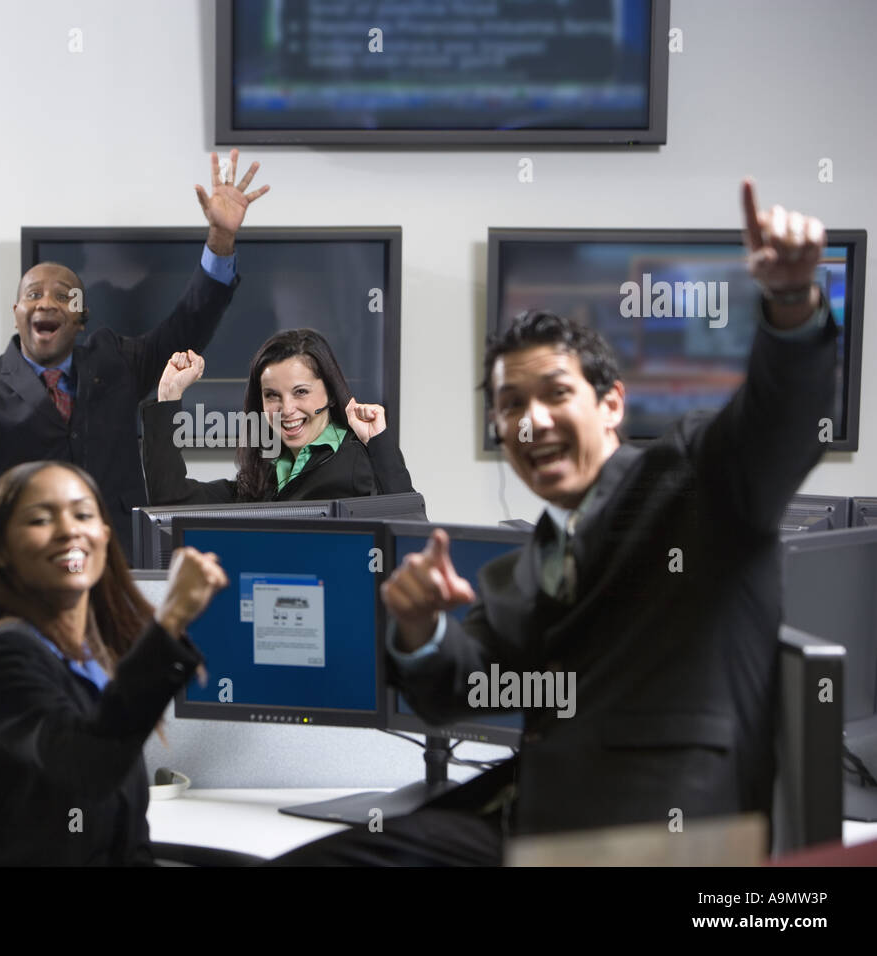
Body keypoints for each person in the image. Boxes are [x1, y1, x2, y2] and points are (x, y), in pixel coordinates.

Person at [272, 180, 836, 865]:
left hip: (657, 836)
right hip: (534, 819)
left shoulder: (695, 482)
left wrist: (792, 304)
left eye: (555, 394)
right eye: (511, 405)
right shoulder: (528, 562)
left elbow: (781, 422)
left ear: (611, 405)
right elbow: (458, 689)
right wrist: (420, 629)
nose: (531, 421)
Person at [0, 151, 269, 559]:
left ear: (81, 318)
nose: (47, 302)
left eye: (63, 296)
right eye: (33, 295)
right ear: (16, 314)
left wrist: (221, 239)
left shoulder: (117, 360)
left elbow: (188, 324)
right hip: (28, 563)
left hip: (119, 560)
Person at [0, 460, 227, 865]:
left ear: (105, 536)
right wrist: (170, 621)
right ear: (2, 551)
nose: (69, 530)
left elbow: (128, 835)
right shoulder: (5, 657)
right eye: (41, 519)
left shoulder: (98, 660)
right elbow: (88, 768)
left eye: (83, 514)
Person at [141, 328, 414, 505]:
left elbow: (408, 532)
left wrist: (379, 445)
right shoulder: (263, 479)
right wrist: (168, 395)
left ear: (330, 394)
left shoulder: (358, 461)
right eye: (272, 395)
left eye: (301, 392)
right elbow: (171, 501)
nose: (287, 409)